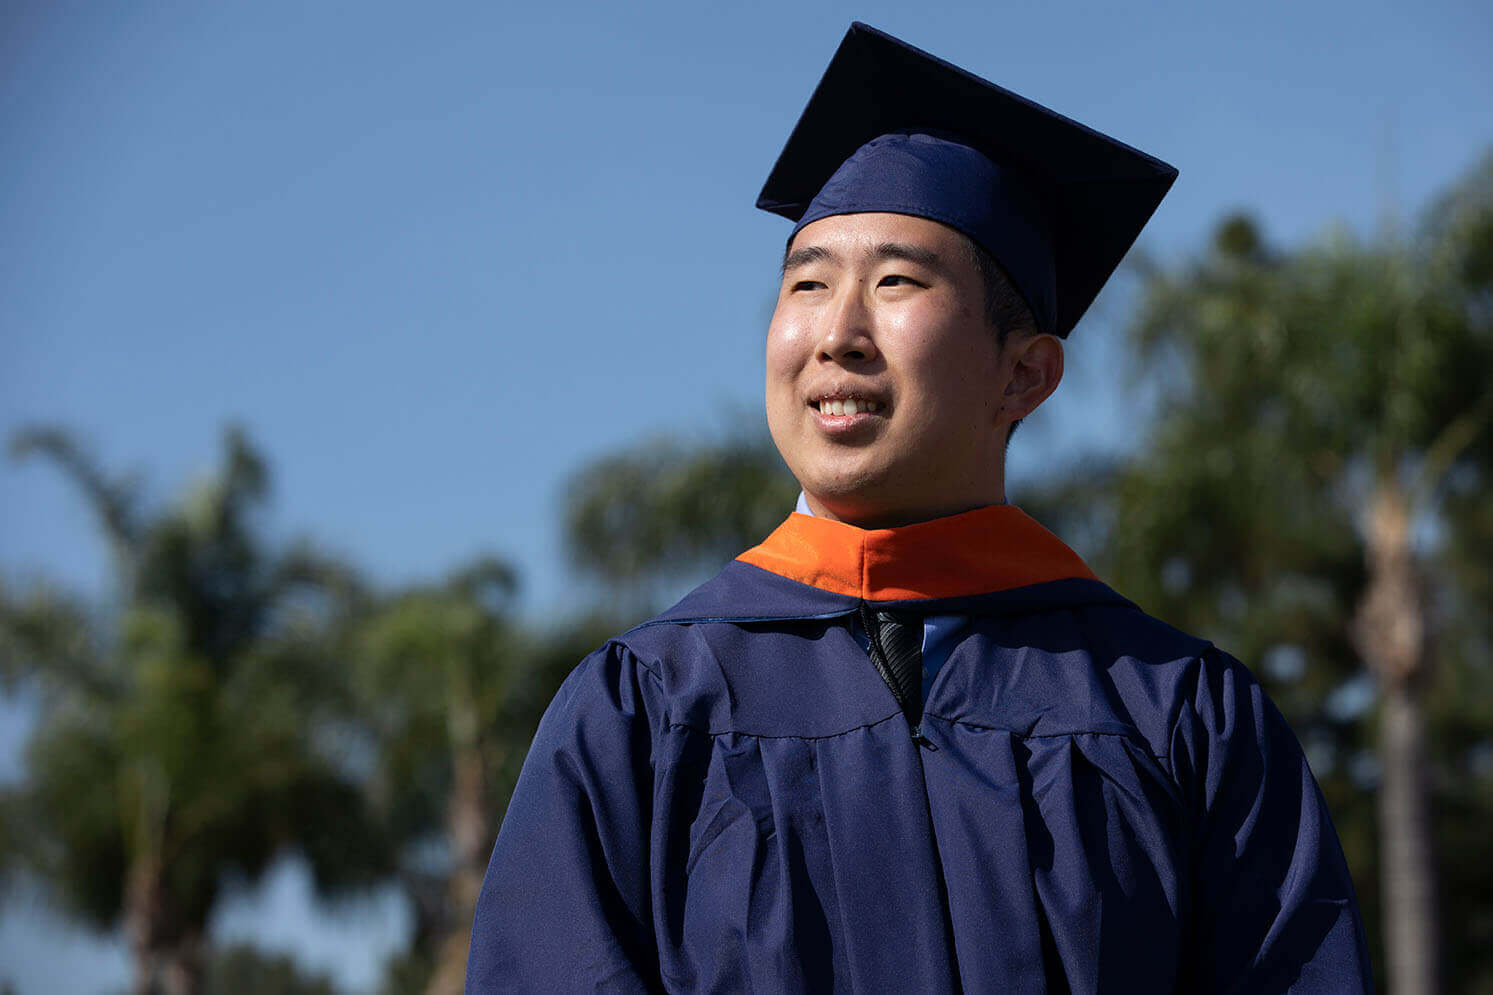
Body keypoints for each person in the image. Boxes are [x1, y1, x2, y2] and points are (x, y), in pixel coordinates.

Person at [466, 22, 1373, 993]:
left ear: (1024, 373)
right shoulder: (646, 706)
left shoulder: (1176, 713)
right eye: (806, 284)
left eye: (895, 282)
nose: (836, 333)